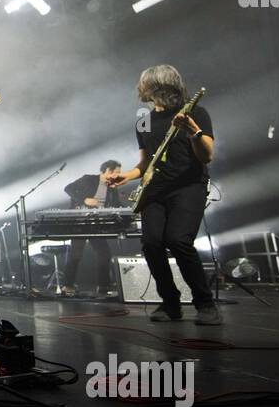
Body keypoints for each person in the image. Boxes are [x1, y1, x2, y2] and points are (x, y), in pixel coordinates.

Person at [107, 65, 222, 325]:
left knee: (179, 240)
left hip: (188, 186)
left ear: (158, 86)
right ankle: (170, 302)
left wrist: (194, 131)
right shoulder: (144, 121)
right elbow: (146, 163)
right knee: (151, 244)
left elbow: (207, 157)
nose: (138, 88)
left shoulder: (196, 112)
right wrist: (127, 175)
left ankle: (205, 304)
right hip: (156, 190)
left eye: (143, 83)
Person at [60, 160, 127, 297]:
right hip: (80, 222)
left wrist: (128, 209)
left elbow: (116, 204)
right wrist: (84, 199)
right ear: (107, 170)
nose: (118, 175)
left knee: (104, 254)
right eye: (116, 172)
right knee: (76, 255)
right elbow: (68, 188)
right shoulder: (88, 179)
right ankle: (67, 285)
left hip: (97, 224)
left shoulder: (112, 187)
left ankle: (103, 286)